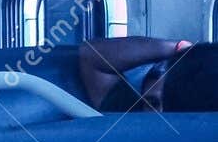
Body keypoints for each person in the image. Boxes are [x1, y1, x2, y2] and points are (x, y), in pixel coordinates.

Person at [78, 36, 218, 111]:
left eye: (157, 103)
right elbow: (91, 55)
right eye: (151, 104)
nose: (159, 113)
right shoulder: (132, 122)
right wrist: (179, 49)